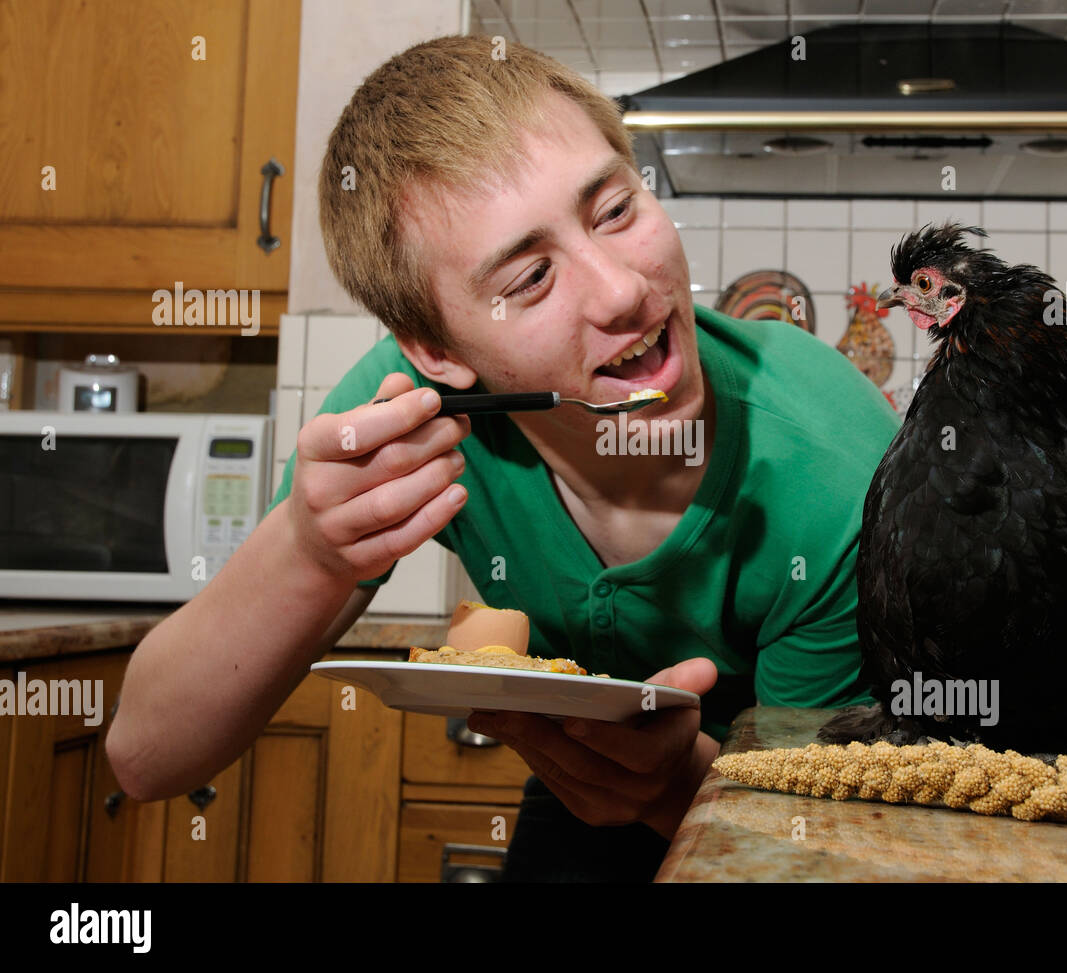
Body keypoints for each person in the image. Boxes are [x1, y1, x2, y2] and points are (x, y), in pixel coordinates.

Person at [106, 34, 901, 882]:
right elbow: (149, 757)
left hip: (770, 799)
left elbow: (818, 848)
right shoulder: (405, 413)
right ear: (438, 353)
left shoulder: (834, 471)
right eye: (529, 277)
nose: (624, 290)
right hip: (579, 780)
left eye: (615, 210)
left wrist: (666, 784)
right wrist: (310, 548)